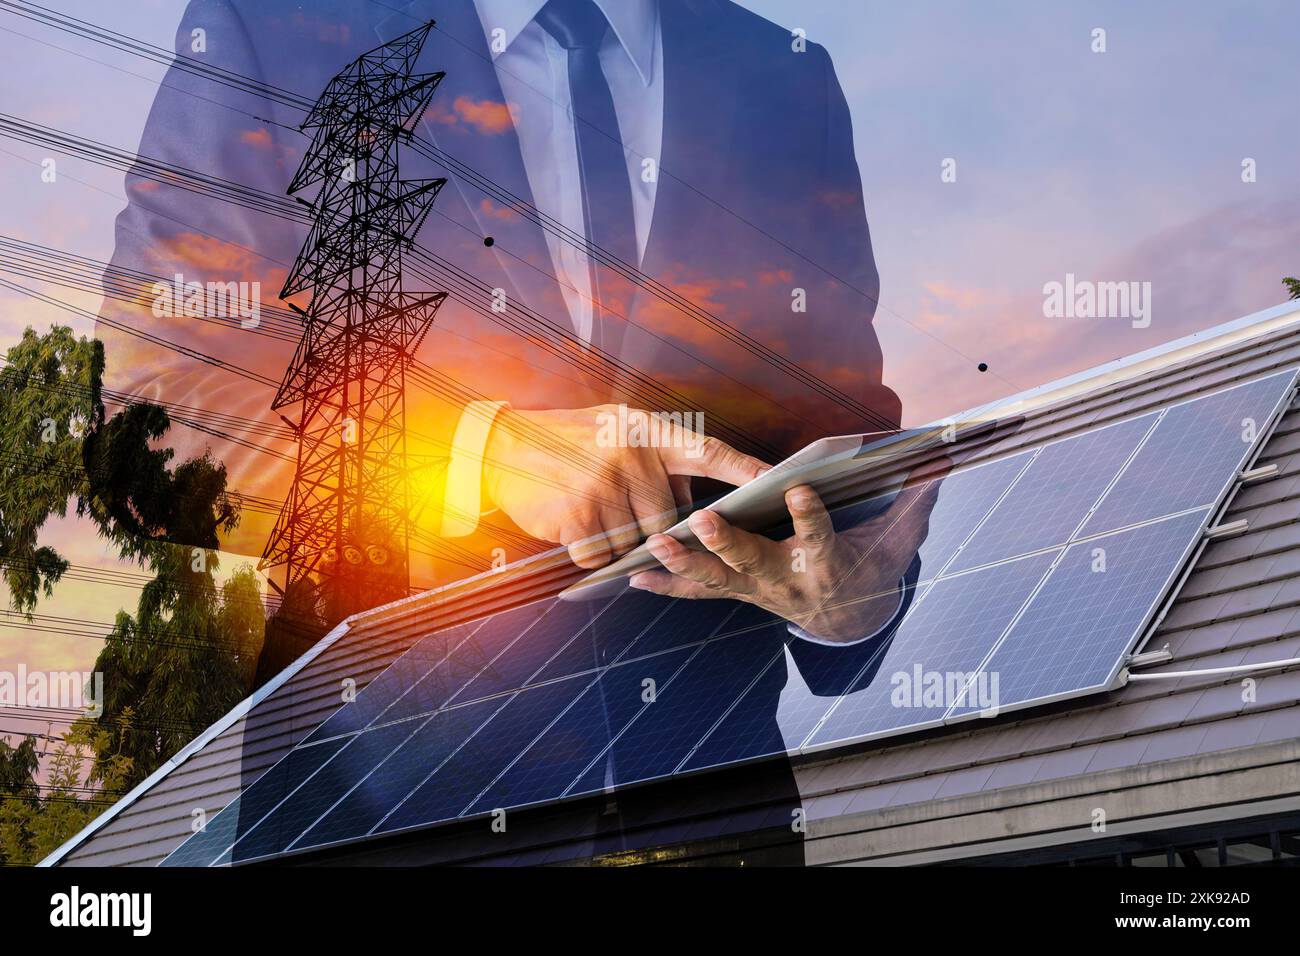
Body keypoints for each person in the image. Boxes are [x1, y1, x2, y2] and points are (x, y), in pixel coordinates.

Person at [102, 0, 938, 864]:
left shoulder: (786, 75)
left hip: (720, 814)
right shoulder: (274, 29)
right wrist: (476, 452)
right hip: (385, 811)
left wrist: (852, 608)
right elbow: (155, 417)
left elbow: (845, 448)